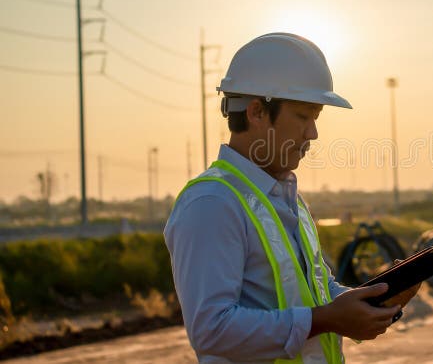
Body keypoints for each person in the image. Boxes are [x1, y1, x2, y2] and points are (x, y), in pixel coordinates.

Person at [164, 32, 419, 363]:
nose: (312, 133)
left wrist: (372, 300)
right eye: (304, 116)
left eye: (315, 118)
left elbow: (316, 292)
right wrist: (325, 319)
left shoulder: (287, 199)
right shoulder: (212, 203)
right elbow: (212, 330)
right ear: (256, 112)